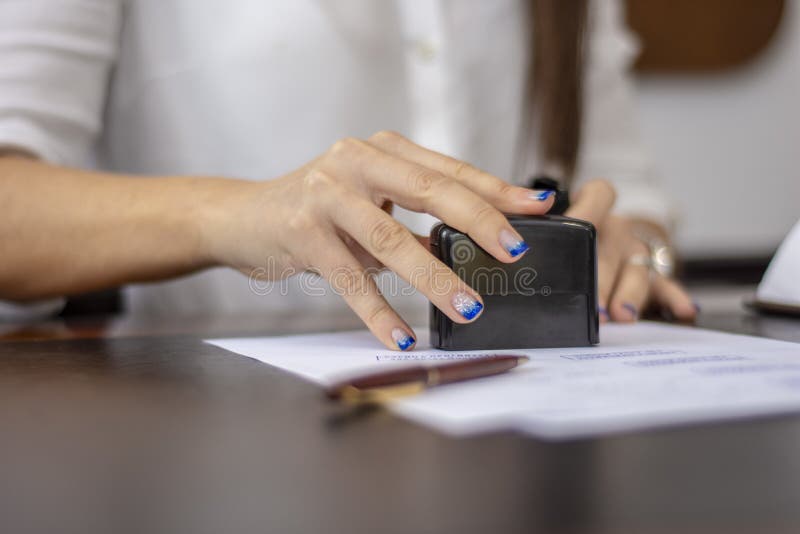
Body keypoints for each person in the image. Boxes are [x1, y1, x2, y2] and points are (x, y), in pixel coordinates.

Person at [0, 0, 696, 350]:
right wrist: (232, 215)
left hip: (538, 419)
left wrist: (632, 246)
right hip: (223, 429)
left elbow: (619, 181)